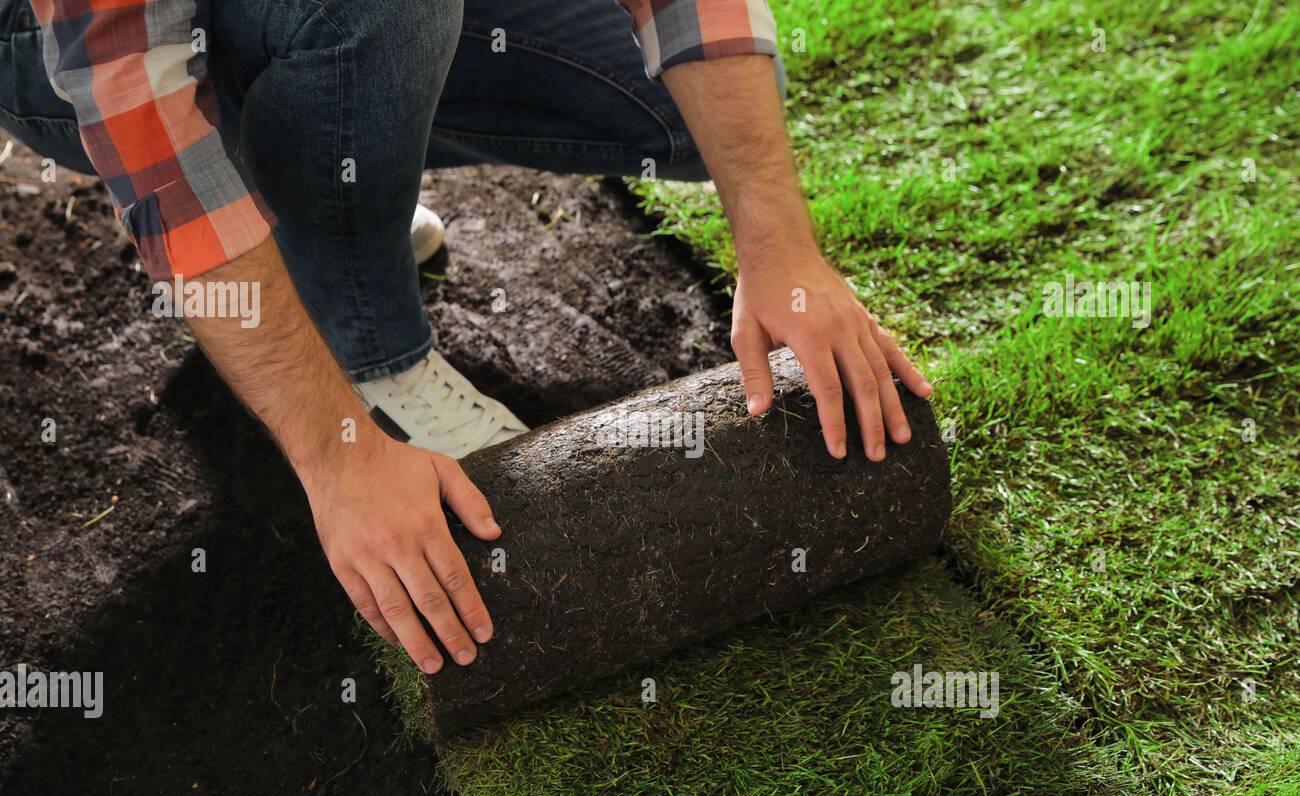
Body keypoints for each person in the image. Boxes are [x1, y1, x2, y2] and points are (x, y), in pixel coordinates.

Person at [1, 0, 932, 676]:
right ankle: (369, 347)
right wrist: (342, 456)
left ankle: (328, 179)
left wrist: (782, 249)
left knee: (675, 106)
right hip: (61, 45)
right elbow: (150, 130)